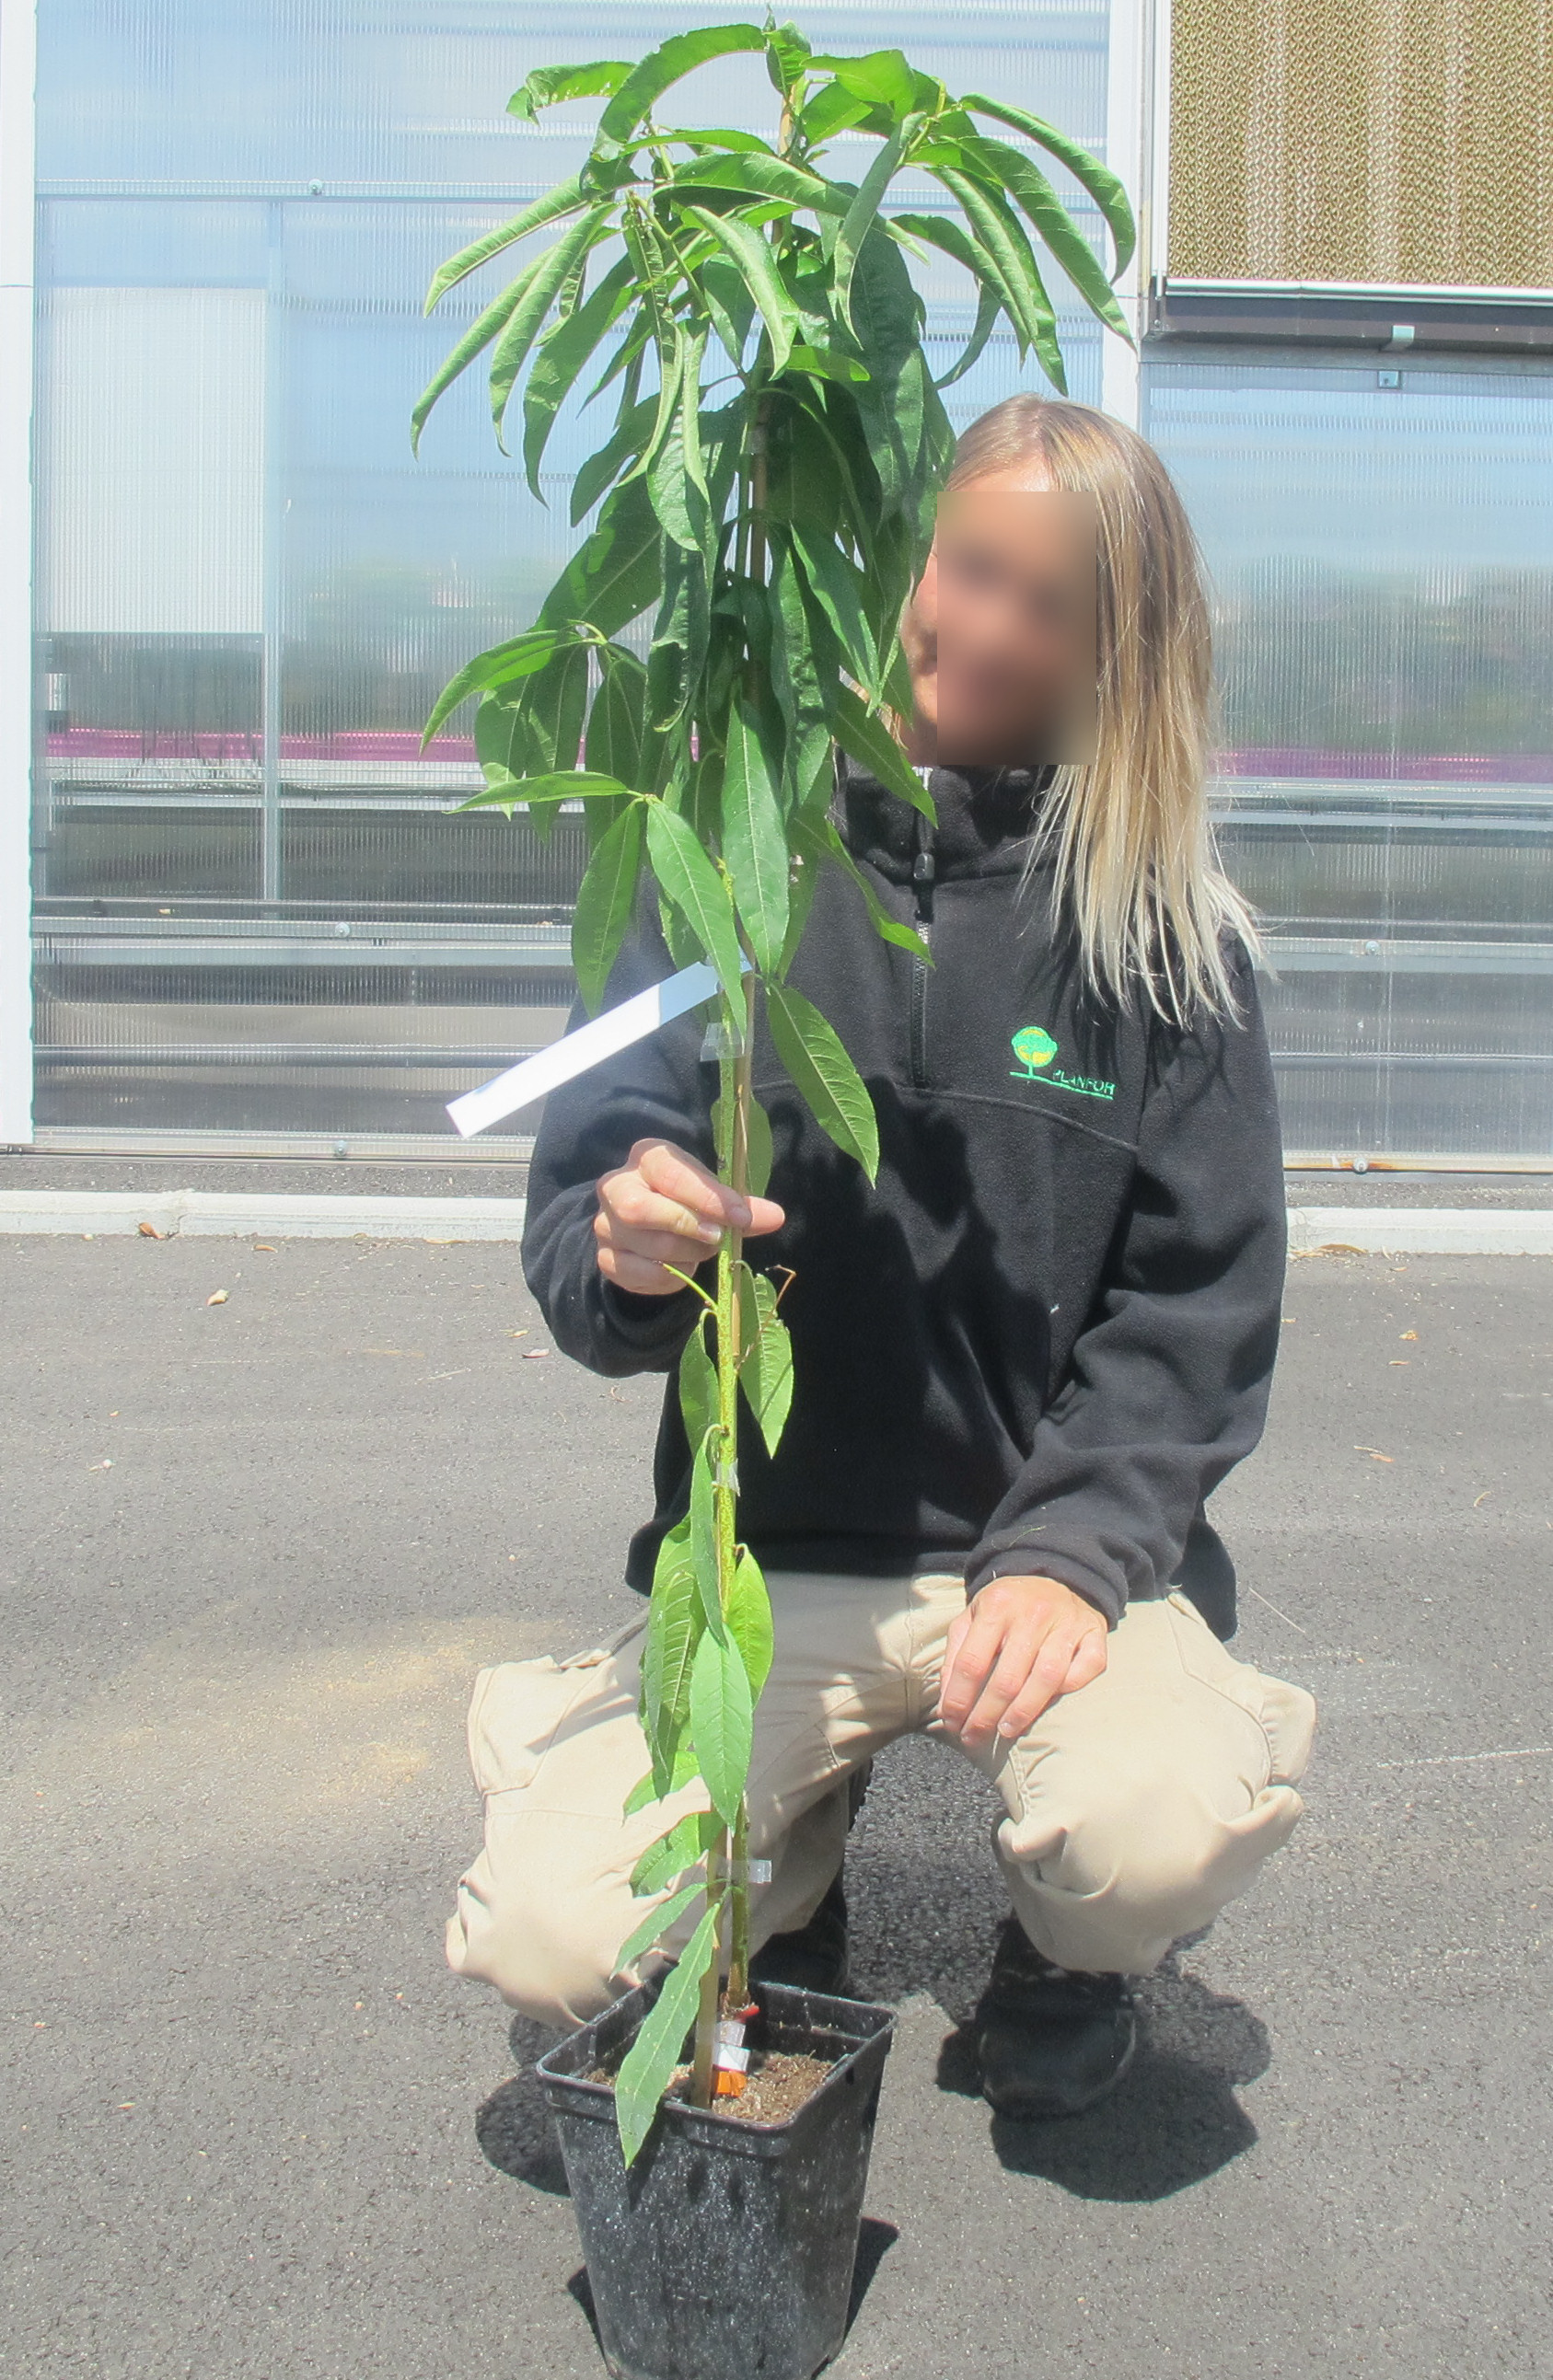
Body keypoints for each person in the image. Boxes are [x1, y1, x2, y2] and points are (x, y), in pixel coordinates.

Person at [445, 395, 1317, 2120]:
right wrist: (626, 1244)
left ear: (1112, 657)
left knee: (1144, 1834)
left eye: (1045, 603)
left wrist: (1075, 1549)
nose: (981, 626)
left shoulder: (1159, 934)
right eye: (965, 564)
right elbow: (574, 1212)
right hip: (773, 1560)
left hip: (1048, 1563)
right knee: (556, 1937)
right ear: (902, 554)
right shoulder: (731, 850)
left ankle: (1064, 1960)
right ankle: (779, 1870)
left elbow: (1203, 1300)